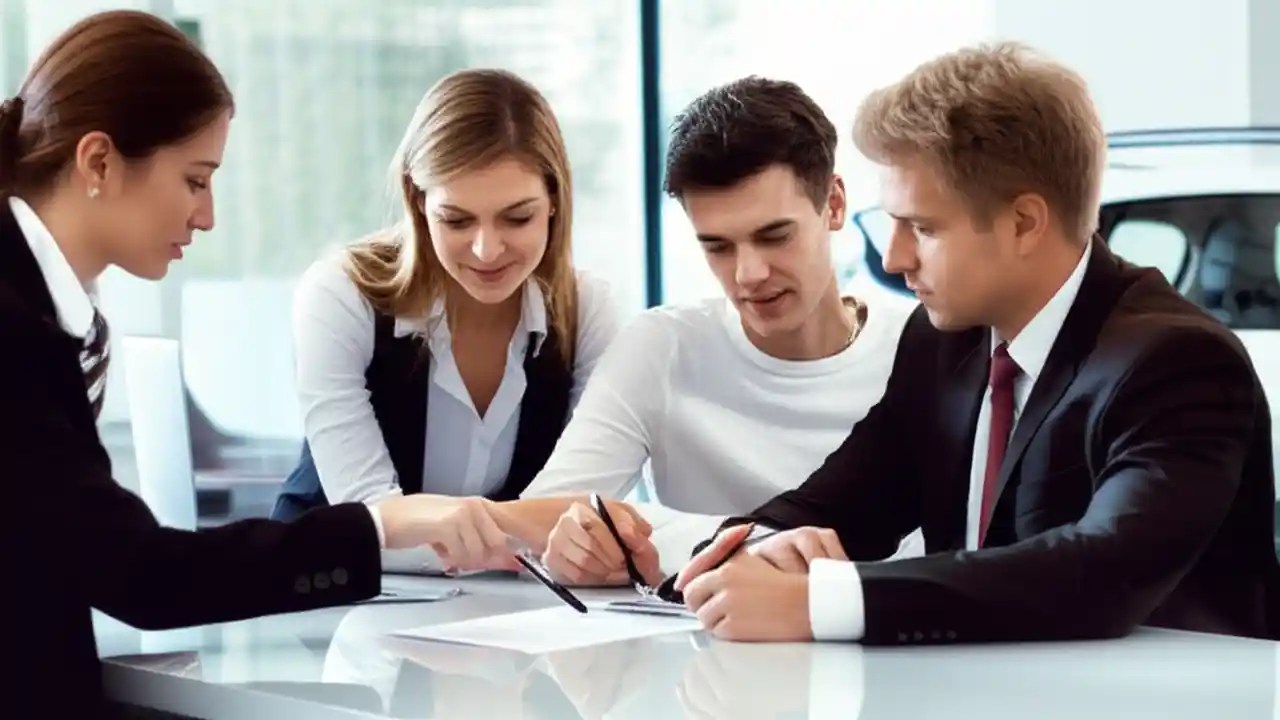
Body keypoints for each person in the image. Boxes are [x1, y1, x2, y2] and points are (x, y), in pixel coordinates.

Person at [0, 12, 520, 716]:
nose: (207, 215)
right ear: (99, 162)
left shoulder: (45, 310)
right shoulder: (14, 329)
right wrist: (383, 524)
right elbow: (138, 574)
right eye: (195, 179)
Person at [674, 42, 1279, 643]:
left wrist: (822, 602)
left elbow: (1100, 572)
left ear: (1024, 223)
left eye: (923, 227)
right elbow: (844, 499)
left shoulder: (1178, 363)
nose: (893, 257)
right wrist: (753, 548)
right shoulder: (945, 341)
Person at [511, 77, 918, 585]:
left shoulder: (926, 349)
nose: (749, 274)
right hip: (702, 654)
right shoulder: (663, 348)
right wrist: (574, 546)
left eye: (774, 236)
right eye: (718, 247)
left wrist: (675, 543)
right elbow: (542, 522)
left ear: (834, 204)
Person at [271, 68, 621, 575]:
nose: (487, 249)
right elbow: (367, 518)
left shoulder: (587, 310)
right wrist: (526, 535)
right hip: (329, 600)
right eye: (456, 220)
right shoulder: (342, 295)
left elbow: (585, 513)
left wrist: (530, 536)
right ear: (418, 202)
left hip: (513, 616)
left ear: (554, 204)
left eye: (517, 217)